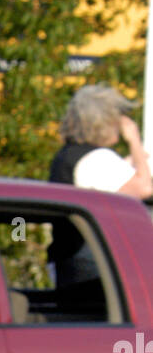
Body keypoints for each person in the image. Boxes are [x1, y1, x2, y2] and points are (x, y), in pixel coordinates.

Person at [48, 85, 153, 289]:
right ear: (104, 121)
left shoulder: (68, 155)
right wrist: (134, 141)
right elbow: (144, 188)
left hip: (70, 261)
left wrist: (130, 161)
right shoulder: (96, 159)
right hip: (92, 266)